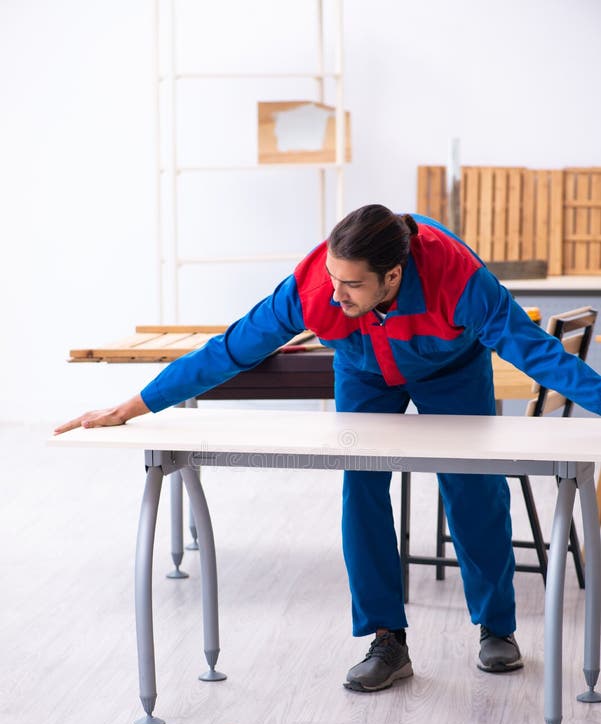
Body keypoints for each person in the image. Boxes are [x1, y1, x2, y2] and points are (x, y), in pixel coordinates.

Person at [55, 205, 601, 692]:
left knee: (473, 486)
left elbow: (541, 355)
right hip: (365, 372)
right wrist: (134, 405)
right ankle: (386, 639)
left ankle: (497, 627)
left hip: (451, 372)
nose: (335, 295)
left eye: (352, 286)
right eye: (332, 279)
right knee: (361, 489)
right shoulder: (314, 285)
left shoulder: (460, 280)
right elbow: (227, 352)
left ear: (393, 275)